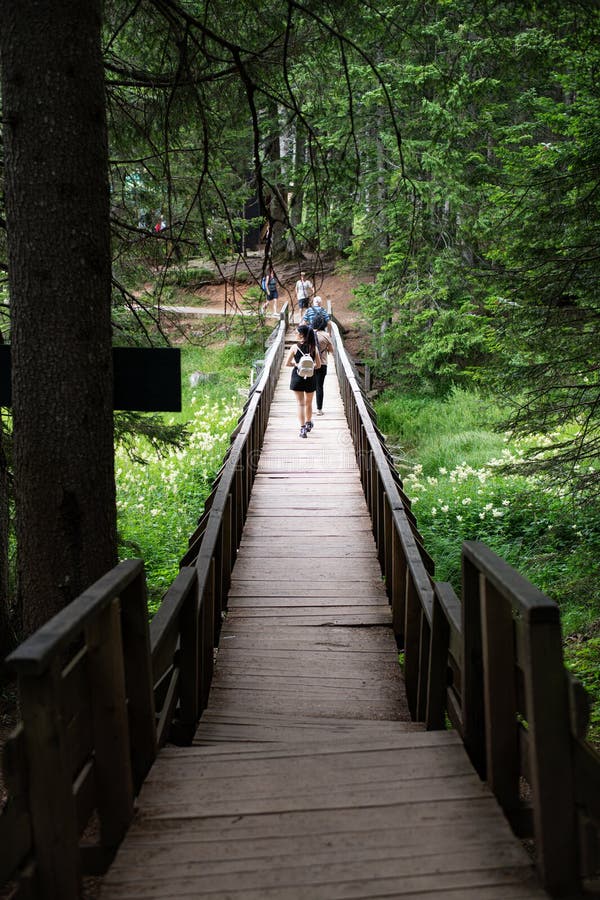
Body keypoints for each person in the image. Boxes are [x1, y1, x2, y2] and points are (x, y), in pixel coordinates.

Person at [285, 324, 321, 438]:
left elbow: (287, 363)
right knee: (308, 403)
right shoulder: (313, 347)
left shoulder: (294, 348)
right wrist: (310, 366)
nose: (295, 334)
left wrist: (297, 364)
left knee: (300, 404)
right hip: (310, 377)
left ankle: (302, 429)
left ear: (301, 335)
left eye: (296, 332)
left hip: (297, 377)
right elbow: (318, 365)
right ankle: (308, 422)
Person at [312, 315, 334, 416]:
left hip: (310, 364)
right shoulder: (326, 335)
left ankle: (307, 407)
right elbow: (331, 350)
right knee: (319, 386)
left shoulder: (309, 334)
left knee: (308, 386)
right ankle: (319, 409)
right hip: (322, 364)